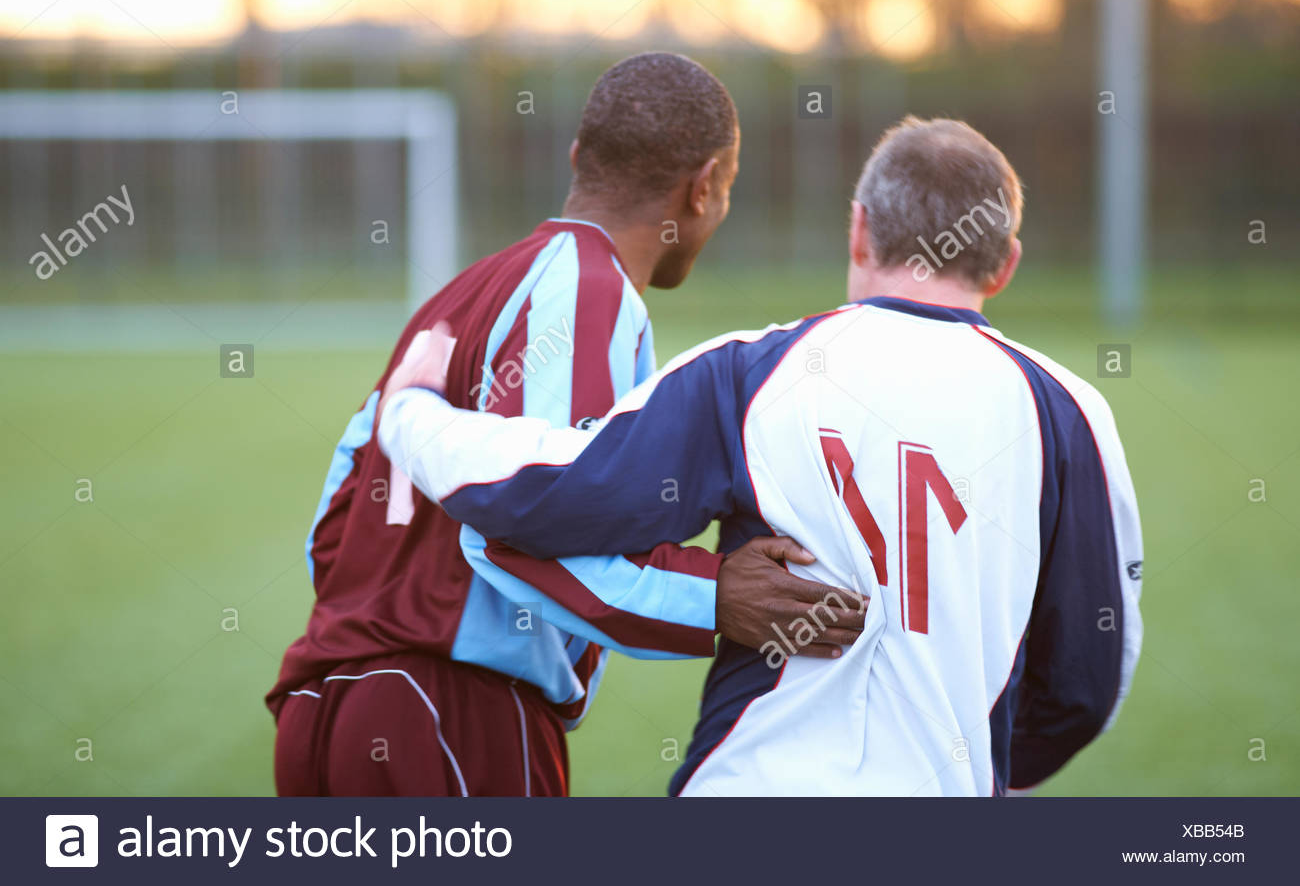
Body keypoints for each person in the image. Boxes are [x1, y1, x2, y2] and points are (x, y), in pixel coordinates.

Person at [374, 116, 1144, 796]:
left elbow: (547, 498)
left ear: (860, 230)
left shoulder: (748, 373)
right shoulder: (1070, 413)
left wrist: (411, 416)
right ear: (1005, 263)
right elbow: (1086, 680)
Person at [267, 52, 866, 797]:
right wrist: (711, 593)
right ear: (704, 187)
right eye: (731, 189)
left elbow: (329, 529)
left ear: (579, 156)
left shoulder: (458, 297)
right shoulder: (592, 293)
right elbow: (525, 524)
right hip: (451, 719)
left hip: (321, 713)